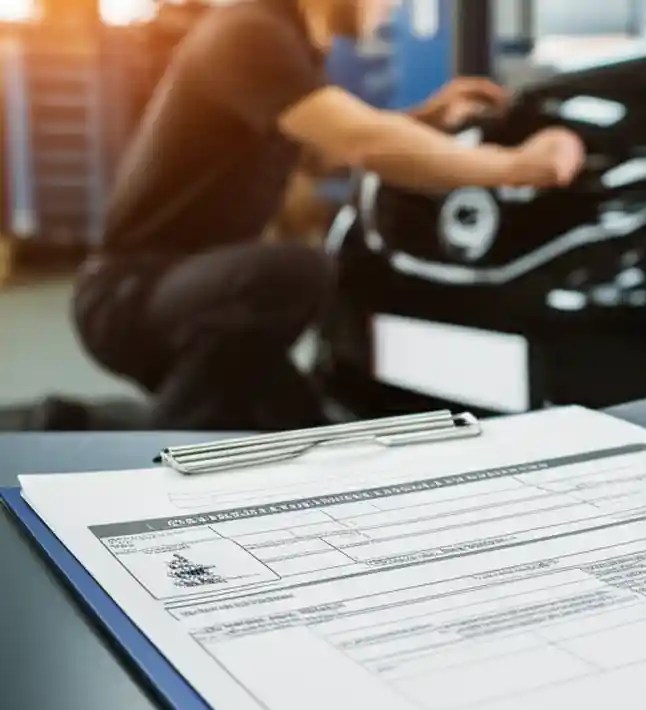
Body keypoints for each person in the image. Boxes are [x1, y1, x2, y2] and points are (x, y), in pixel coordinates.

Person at [72, 0, 585, 430]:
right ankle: (96, 435)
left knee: (302, 427)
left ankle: (186, 425)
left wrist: (425, 117)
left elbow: (320, 152)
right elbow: (359, 141)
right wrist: (517, 167)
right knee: (299, 272)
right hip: (129, 294)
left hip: (195, 289)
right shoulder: (248, 31)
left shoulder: (285, 43)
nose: (391, 8)